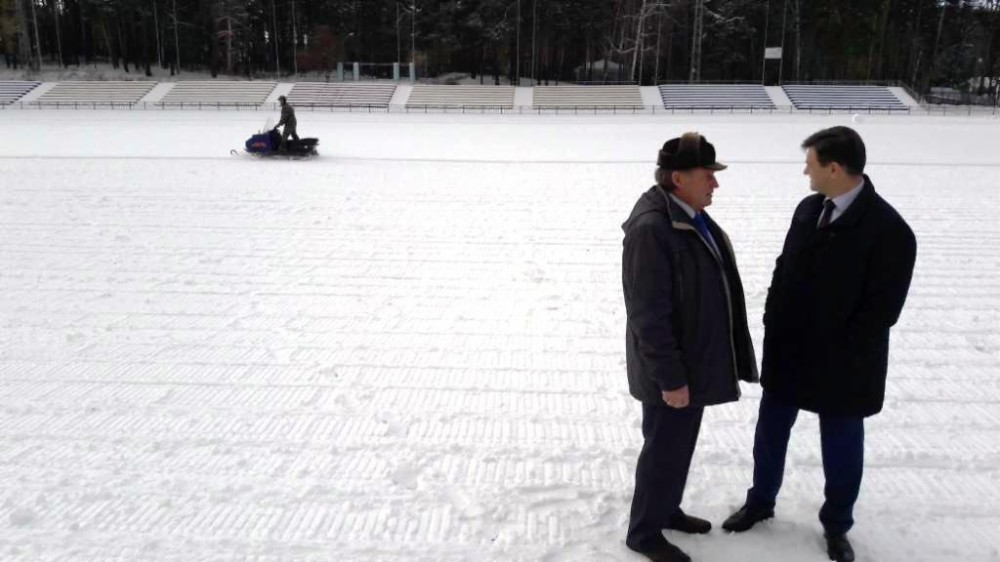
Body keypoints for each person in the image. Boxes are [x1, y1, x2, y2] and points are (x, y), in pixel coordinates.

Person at [722, 126, 917, 562]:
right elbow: (784, 266)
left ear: (833, 168)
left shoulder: (890, 231)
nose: (804, 171)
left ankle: (837, 525)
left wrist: (832, 344)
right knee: (770, 432)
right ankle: (760, 502)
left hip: (845, 365)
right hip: (789, 351)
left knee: (842, 445)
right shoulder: (808, 208)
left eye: (810, 164)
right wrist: (774, 315)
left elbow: (881, 312)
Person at [622, 132, 759, 562]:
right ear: (678, 178)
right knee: (663, 447)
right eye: (708, 176)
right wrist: (671, 378)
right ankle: (644, 532)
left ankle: (666, 509)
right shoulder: (652, 230)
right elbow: (649, 315)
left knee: (677, 446)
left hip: (690, 363)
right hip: (672, 369)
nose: (715, 184)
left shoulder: (687, 215)